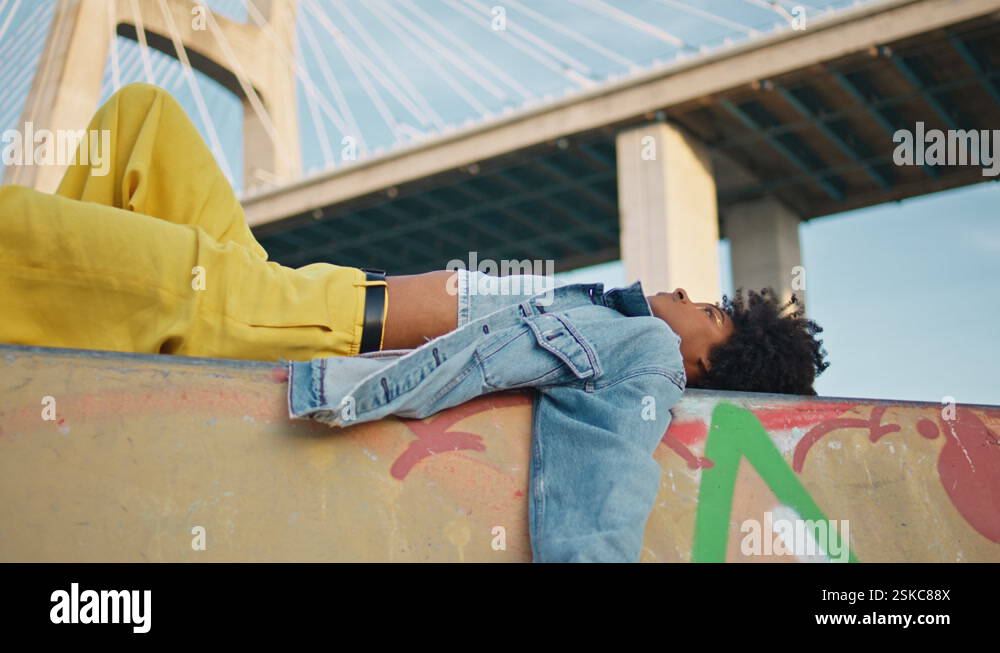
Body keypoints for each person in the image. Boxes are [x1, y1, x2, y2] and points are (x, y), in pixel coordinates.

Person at [1, 83, 830, 560]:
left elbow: (600, 489)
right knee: (146, 119)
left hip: (300, 330)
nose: (690, 289)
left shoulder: (643, 358)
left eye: (713, 309)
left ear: (703, 364)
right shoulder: (612, 315)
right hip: (303, 291)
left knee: (26, 235)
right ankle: (51, 369)